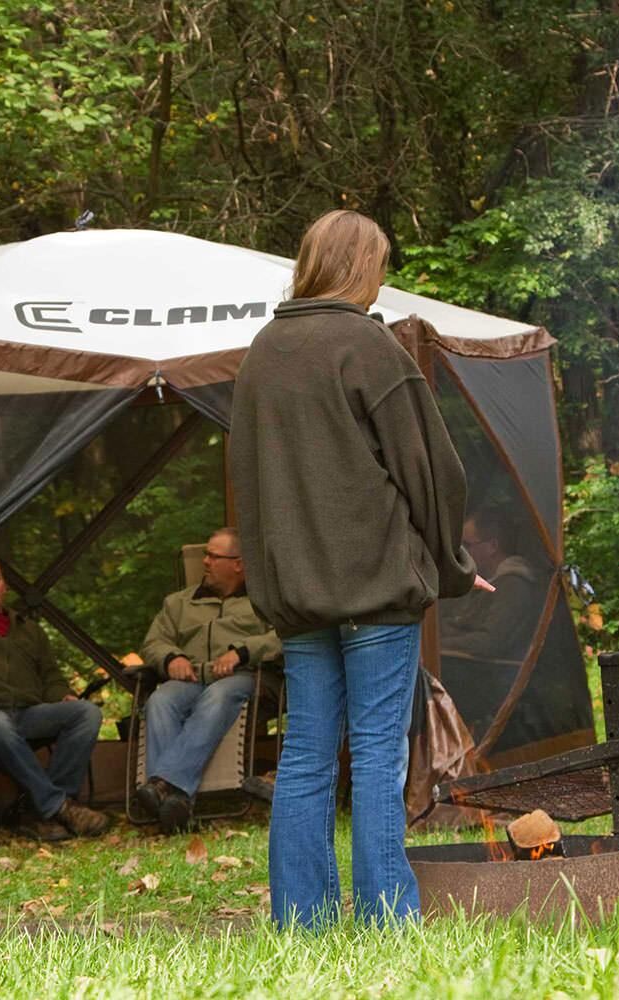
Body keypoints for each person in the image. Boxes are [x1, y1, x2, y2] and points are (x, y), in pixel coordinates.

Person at [229, 209, 493, 928]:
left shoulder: (262, 352)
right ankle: (384, 918)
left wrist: (273, 582)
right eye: (379, 262)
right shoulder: (366, 346)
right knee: (379, 754)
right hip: (376, 588)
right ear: (360, 267)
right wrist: (451, 565)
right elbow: (433, 474)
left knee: (308, 753)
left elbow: (248, 487)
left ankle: (302, 923)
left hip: (300, 596)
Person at [0, 552, 110, 841]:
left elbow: (51, 675)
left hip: (27, 713)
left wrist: (63, 694)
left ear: (5, 586)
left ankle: (39, 811)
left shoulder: (28, 629)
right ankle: (59, 807)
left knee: (86, 713)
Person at [136, 528, 281, 834]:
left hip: (244, 678)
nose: (205, 561)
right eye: (206, 555)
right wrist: (171, 658)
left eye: (214, 556)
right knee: (161, 700)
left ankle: (162, 785)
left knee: (219, 694)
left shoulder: (262, 601)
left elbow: (284, 636)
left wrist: (242, 652)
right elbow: (153, 642)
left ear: (239, 563)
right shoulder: (178, 603)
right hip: (190, 679)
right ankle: (175, 802)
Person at [440, 506, 536, 662]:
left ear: (492, 546)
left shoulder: (514, 588)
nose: (461, 552)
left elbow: (490, 641)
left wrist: (437, 643)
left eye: (467, 545)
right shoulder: (475, 581)